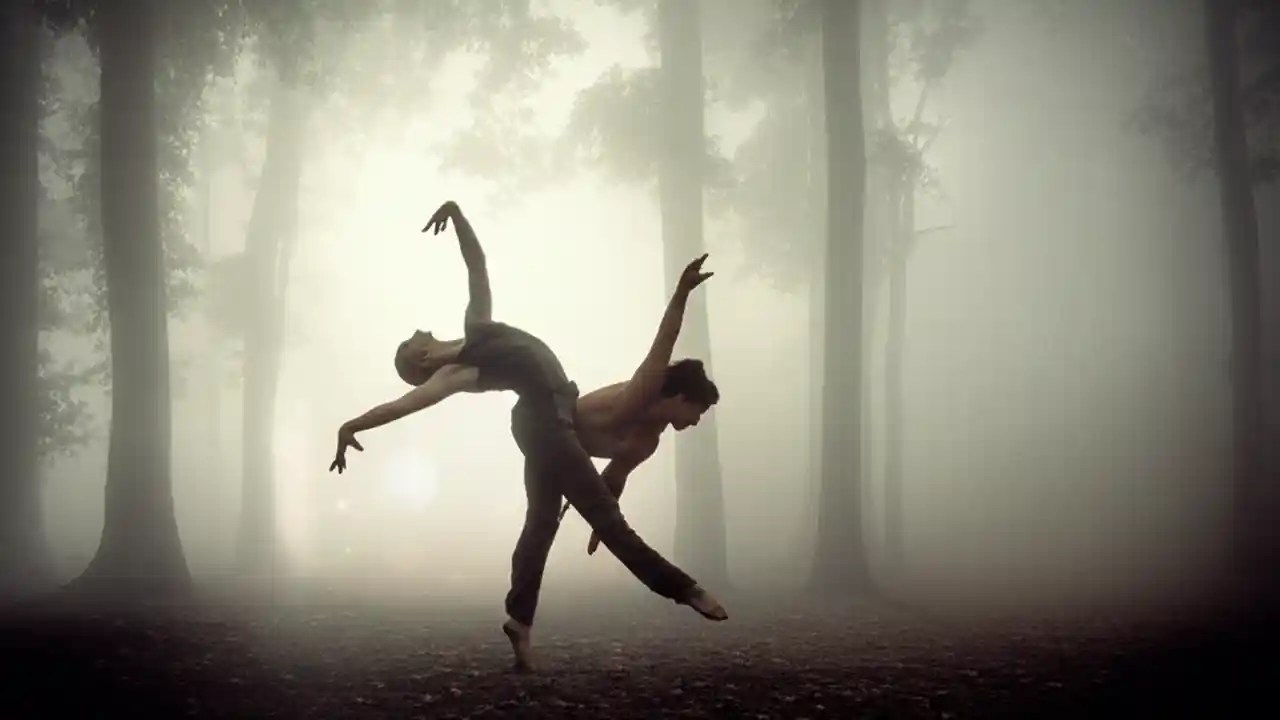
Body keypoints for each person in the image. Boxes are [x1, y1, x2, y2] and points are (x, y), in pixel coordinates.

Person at [328, 200, 727, 673]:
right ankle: (685, 588)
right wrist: (352, 424)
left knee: (541, 525)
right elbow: (402, 405)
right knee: (604, 521)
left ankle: (519, 622)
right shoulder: (455, 374)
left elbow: (477, 264)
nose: (421, 328)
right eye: (416, 337)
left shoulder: (477, 326)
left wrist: (457, 215)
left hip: (544, 423)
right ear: (417, 358)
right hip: (543, 422)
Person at [557, 277, 721, 557]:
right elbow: (666, 339)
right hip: (547, 417)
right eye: (699, 412)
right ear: (682, 398)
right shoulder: (640, 395)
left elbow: (614, 478)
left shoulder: (646, 444)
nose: (696, 422)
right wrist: (682, 292)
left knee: (543, 522)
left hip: (558, 455)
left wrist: (603, 526)